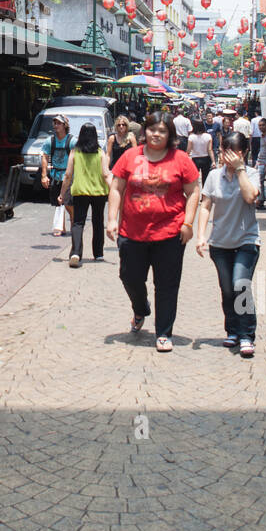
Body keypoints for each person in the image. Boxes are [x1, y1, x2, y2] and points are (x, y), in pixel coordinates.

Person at [106, 110, 200, 352]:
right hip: (132, 231)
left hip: (170, 233)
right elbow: (116, 187)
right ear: (144, 131)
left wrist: (188, 224)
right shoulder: (130, 156)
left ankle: (164, 332)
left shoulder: (180, 159)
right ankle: (140, 309)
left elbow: (194, 192)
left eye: (162, 131)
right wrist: (112, 219)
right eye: (152, 129)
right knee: (129, 276)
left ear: (170, 135)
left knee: (167, 284)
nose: (156, 134)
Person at [196, 129, 262, 357]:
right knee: (227, 290)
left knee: (239, 284)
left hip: (247, 241)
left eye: (233, 152)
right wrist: (201, 235)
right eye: (224, 151)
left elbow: (250, 197)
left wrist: (241, 169)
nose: (227, 156)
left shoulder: (252, 173)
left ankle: (247, 335)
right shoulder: (214, 176)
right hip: (220, 243)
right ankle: (232, 330)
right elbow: (205, 206)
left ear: (243, 153)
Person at [60, 124, 112, 267]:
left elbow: (68, 175)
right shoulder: (100, 152)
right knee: (98, 221)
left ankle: (76, 253)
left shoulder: (75, 152)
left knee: (78, 223)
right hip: (99, 192)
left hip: (80, 192)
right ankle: (99, 254)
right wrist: (114, 190)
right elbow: (106, 174)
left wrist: (62, 193)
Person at [40, 113, 75, 226]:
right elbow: (44, 156)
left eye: (59, 123)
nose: (56, 125)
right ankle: (61, 227)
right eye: (54, 123)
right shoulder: (50, 141)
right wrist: (44, 175)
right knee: (58, 203)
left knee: (68, 203)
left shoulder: (72, 141)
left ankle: (75, 225)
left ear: (65, 125)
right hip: (56, 176)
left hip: (70, 177)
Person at [187, 118, 215, 183]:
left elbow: (188, 150)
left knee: (195, 178)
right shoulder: (208, 136)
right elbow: (210, 150)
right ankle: (204, 191)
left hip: (195, 158)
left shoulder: (191, 137)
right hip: (206, 158)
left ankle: (196, 191)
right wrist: (213, 161)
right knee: (205, 178)